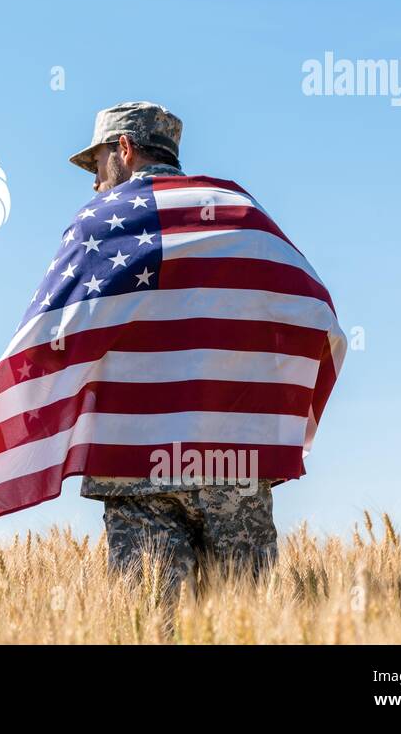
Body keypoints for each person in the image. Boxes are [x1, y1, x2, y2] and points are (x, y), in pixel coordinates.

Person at [68, 101, 279, 599]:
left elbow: (61, 330)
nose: (95, 181)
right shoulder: (242, 216)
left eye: (97, 163)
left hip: (135, 459)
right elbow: (303, 309)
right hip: (234, 460)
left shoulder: (101, 222)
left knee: (149, 624)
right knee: (247, 620)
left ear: (123, 149)